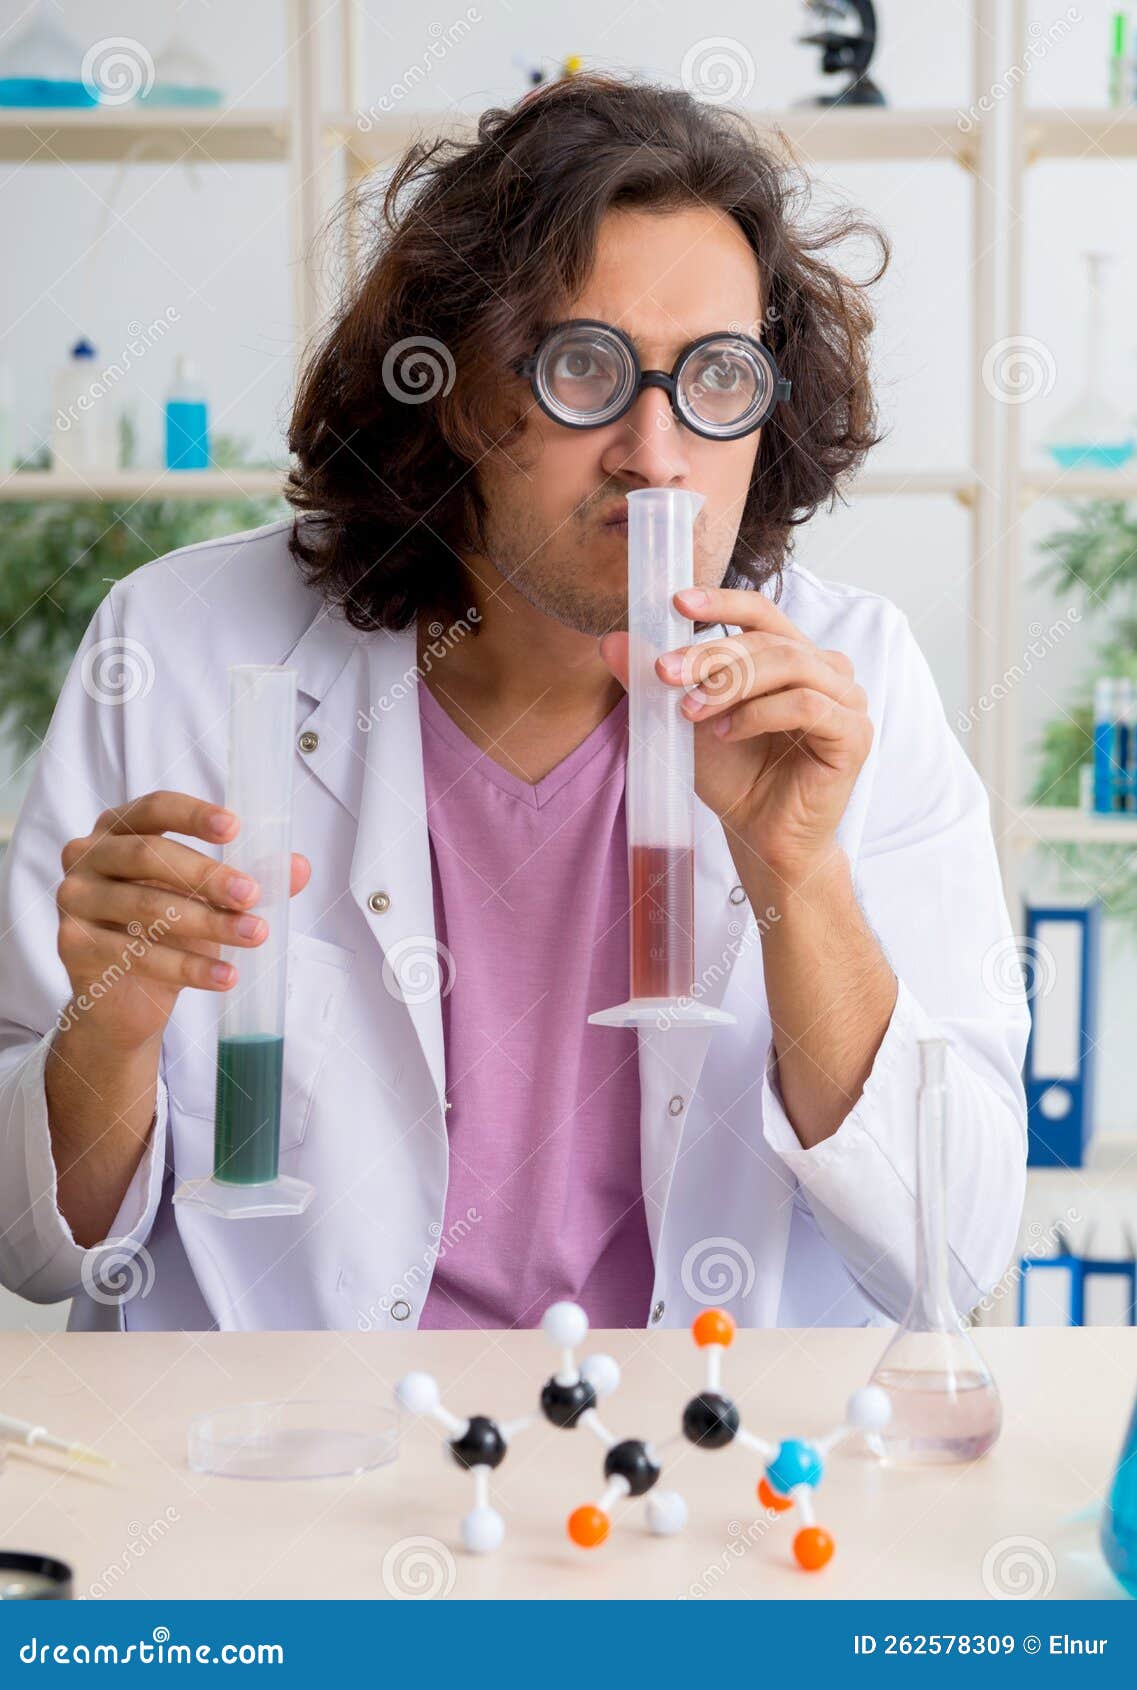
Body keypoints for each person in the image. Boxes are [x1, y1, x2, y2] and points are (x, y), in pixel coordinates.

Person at [0, 75, 1029, 1334]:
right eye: (583, 368)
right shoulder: (178, 649)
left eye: (718, 378)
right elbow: (31, 1249)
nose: (656, 454)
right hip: (288, 1439)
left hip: (700, 1443)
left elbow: (952, 1256)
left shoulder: (853, 680)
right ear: (460, 393)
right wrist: (109, 1031)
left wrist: (800, 881)